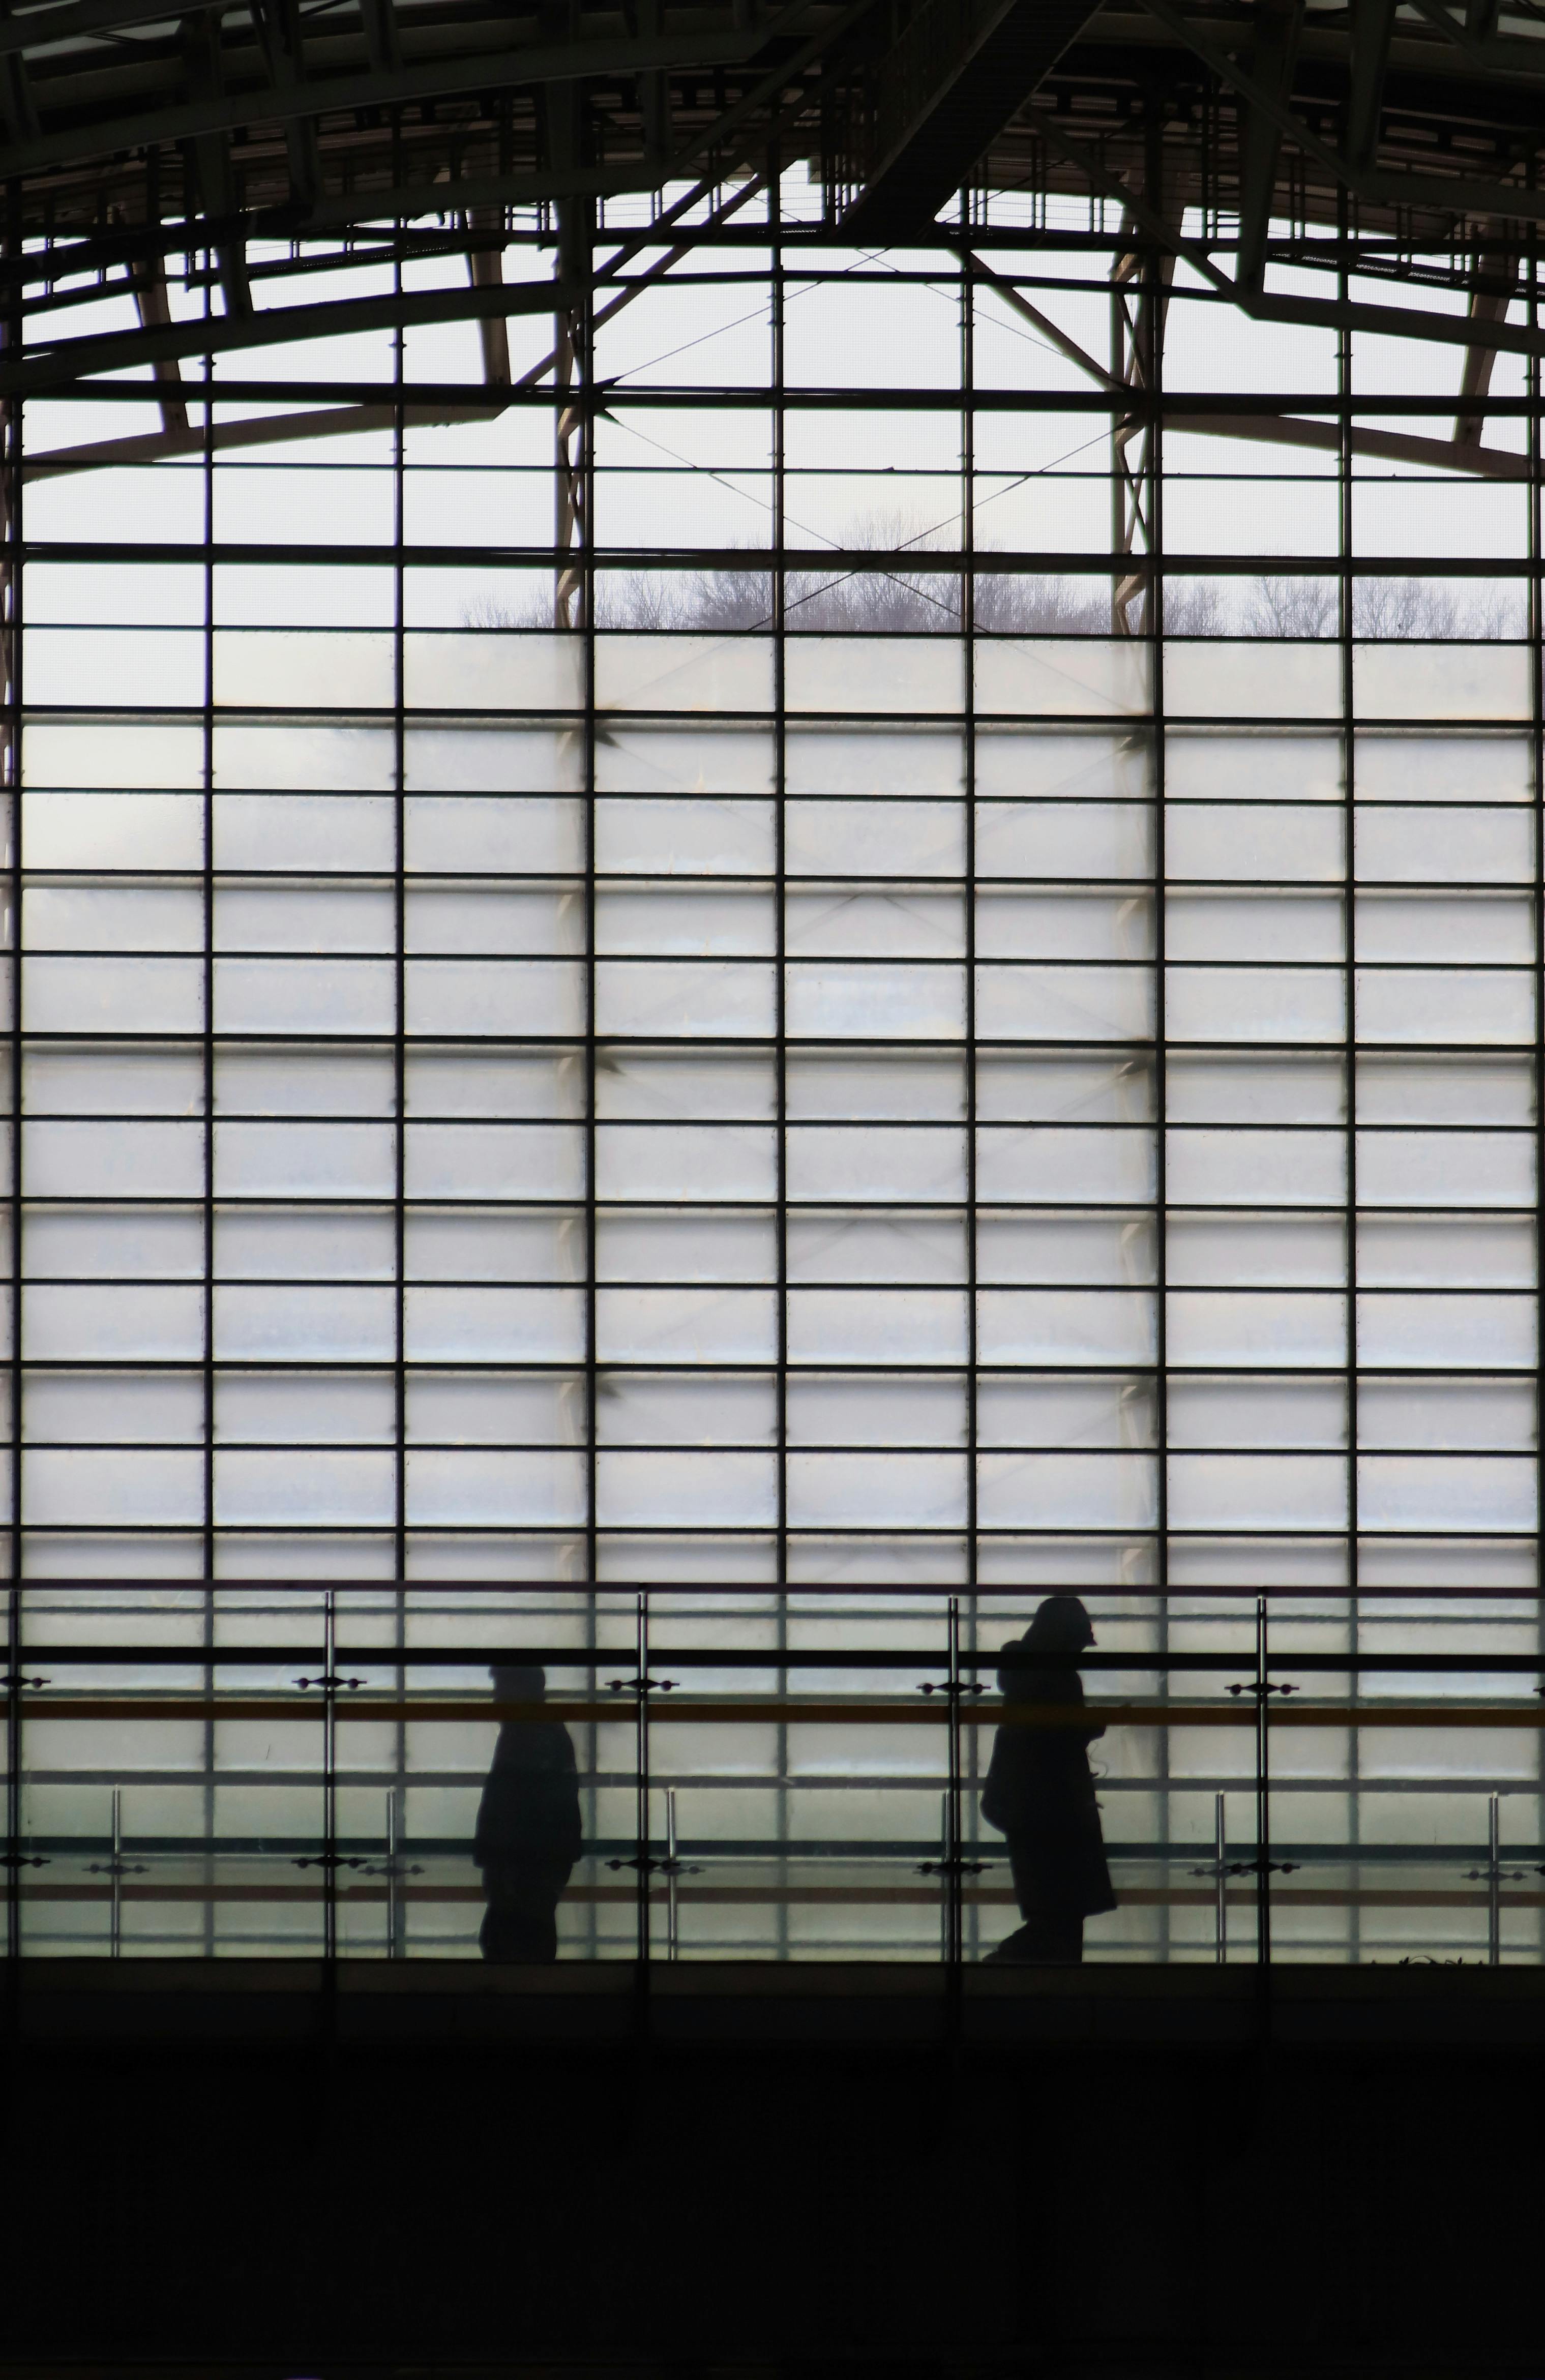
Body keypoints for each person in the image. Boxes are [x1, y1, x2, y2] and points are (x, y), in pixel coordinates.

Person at [981, 1594, 1115, 1964]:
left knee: (1048, 1907)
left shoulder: (1022, 1674)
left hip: (1025, 1803)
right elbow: (1055, 1736)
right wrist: (1090, 1725)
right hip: (1056, 1807)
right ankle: (1019, 1969)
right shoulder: (1059, 1679)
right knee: (1064, 1909)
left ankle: (1015, 1970)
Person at [473, 1663, 582, 1962]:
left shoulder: (528, 1735)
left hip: (523, 1859)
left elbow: (515, 1803)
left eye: (502, 1690)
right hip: (536, 1858)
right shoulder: (541, 1731)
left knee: (511, 1937)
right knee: (528, 1934)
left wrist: (498, 1856)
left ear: (521, 1691)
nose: (496, 1698)